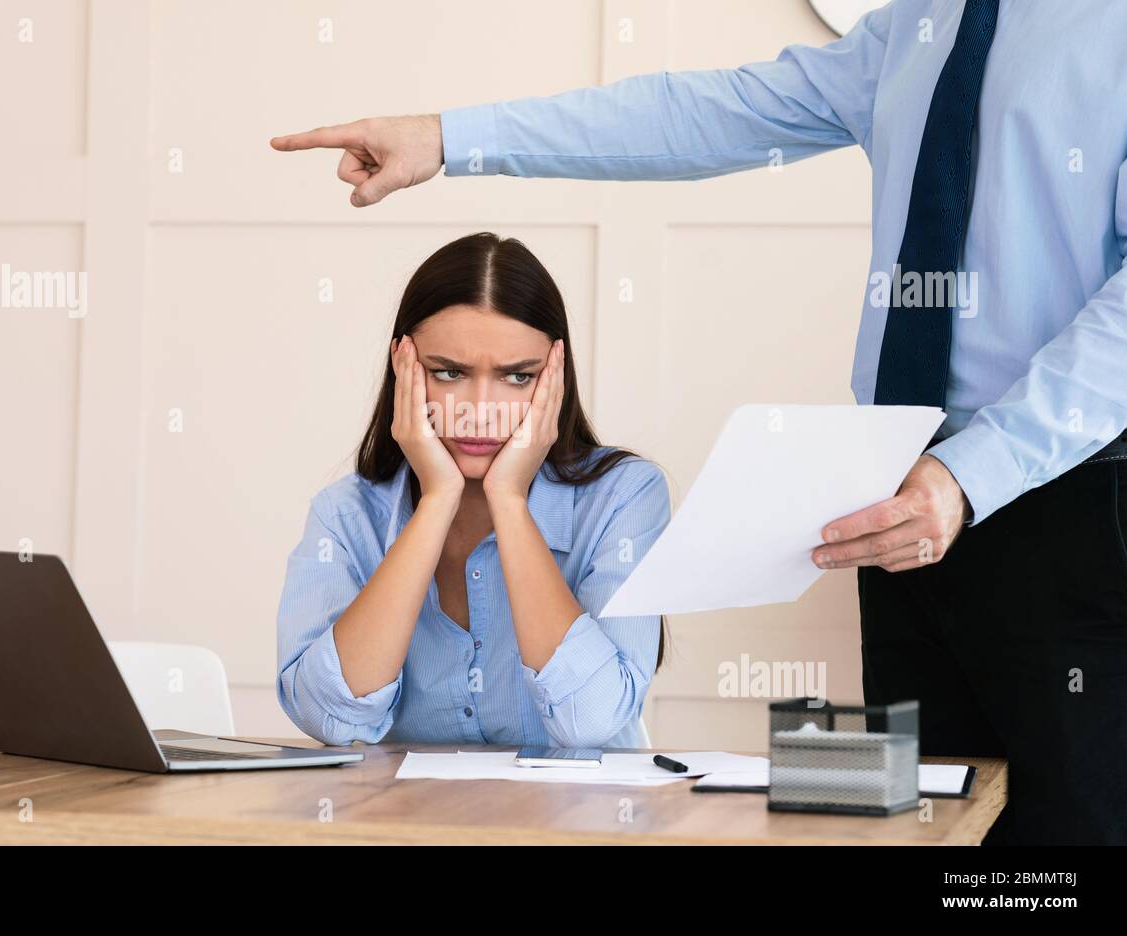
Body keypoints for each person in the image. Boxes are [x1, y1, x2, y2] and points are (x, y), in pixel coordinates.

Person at [272, 0, 1127, 845]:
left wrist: (974, 471)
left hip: (1067, 491)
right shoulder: (918, 27)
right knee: (920, 828)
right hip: (899, 499)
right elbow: (707, 113)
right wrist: (449, 139)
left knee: (1068, 841)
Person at [275, 232, 670, 750]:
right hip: (407, 807)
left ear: (556, 377)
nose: (480, 410)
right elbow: (329, 718)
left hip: (574, 808)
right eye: (449, 372)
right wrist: (437, 499)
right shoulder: (345, 516)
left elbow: (591, 722)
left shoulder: (625, 497)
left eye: (518, 377)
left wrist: (510, 501)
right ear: (403, 368)